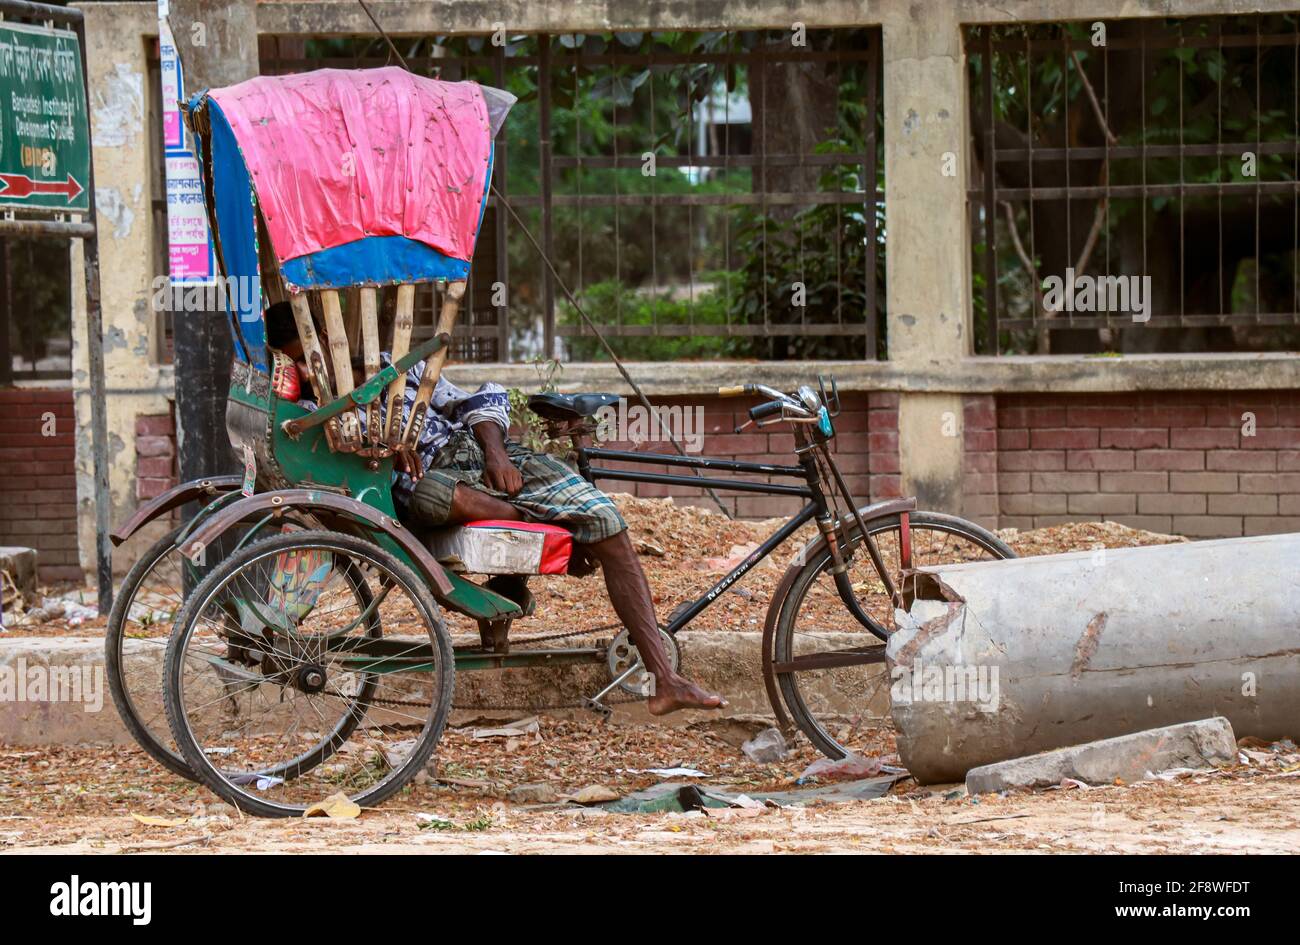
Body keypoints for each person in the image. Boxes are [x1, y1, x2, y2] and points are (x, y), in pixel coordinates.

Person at [265, 301, 726, 715]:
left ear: (326, 343)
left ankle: (665, 677)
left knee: (608, 522)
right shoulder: (310, 409)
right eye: (296, 363)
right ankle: (532, 526)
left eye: (308, 357)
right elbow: (341, 465)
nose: (306, 370)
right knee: (436, 494)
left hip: (481, 458)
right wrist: (382, 444)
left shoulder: (392, 368)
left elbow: (477, 398)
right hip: (431, 486)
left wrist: (496, 452)